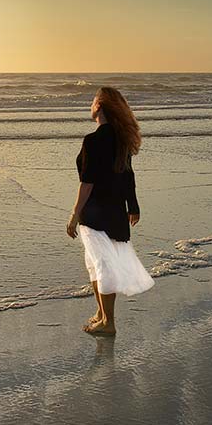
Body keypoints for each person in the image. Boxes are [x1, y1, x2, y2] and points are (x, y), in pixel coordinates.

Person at [66, 86, 155, 335]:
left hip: (94, 212)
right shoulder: (120, 139)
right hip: (115, 210)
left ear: (100, 107)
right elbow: (128, 176)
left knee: (101, 265)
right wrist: (133, 206)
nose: (90, 104)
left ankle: (109, 323)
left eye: (93, 101)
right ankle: (101, 313)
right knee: (95, 263)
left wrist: (74, 214)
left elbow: (87, 183)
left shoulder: (93, 141)